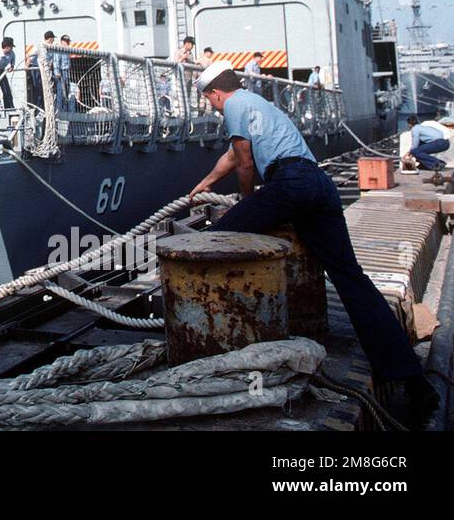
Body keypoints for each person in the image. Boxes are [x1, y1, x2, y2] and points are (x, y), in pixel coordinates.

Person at [188, 62, 438, 427]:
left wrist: (246, 204)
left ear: (215, 93)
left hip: (289, 182)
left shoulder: (234, 106)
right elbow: (230, 157)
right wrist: (205, 184)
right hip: (319, 185)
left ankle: (215, 343)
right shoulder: (259, 105)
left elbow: (243, 162)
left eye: (210, 100)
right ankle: (414, 381)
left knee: (218, 237)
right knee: (352, 280)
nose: (212, 107)